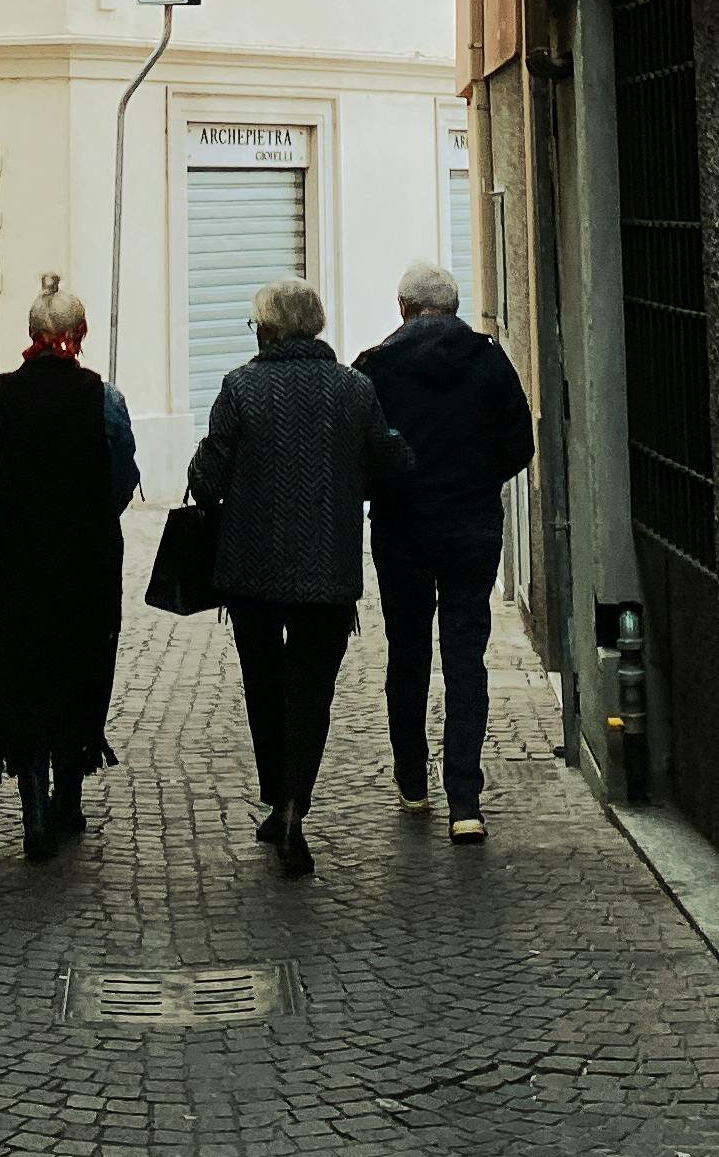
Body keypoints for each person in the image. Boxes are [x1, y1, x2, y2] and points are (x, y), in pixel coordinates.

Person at [187, 276, 412, 880]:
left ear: (266, 328)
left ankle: (277, 800)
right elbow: (389, 462)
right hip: (328, 569)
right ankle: (293, 808)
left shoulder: (241, 387)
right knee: (312, 692)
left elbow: (207, 480)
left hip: (252, 574)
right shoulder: (353, 389)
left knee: (264, 687)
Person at [0, 274, 139, 861]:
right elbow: (122, 480)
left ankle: (32, 809)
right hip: (86, 562)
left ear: (31, 334)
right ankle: (67, 801)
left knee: (23, 673)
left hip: (13, 561)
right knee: (79, 668)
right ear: (80, 334)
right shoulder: (106, 399)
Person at [356, 262, 535, 845]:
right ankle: (466, 801)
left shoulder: (376, 368)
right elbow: (519, 444)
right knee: (465, 657)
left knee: (407, 652)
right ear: (454, 308)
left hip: (402, 529)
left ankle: (412, 781)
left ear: (402, 307)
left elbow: (361, 453)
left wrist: (389, 488)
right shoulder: (488, 361)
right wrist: (476, 480)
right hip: (471, 527)